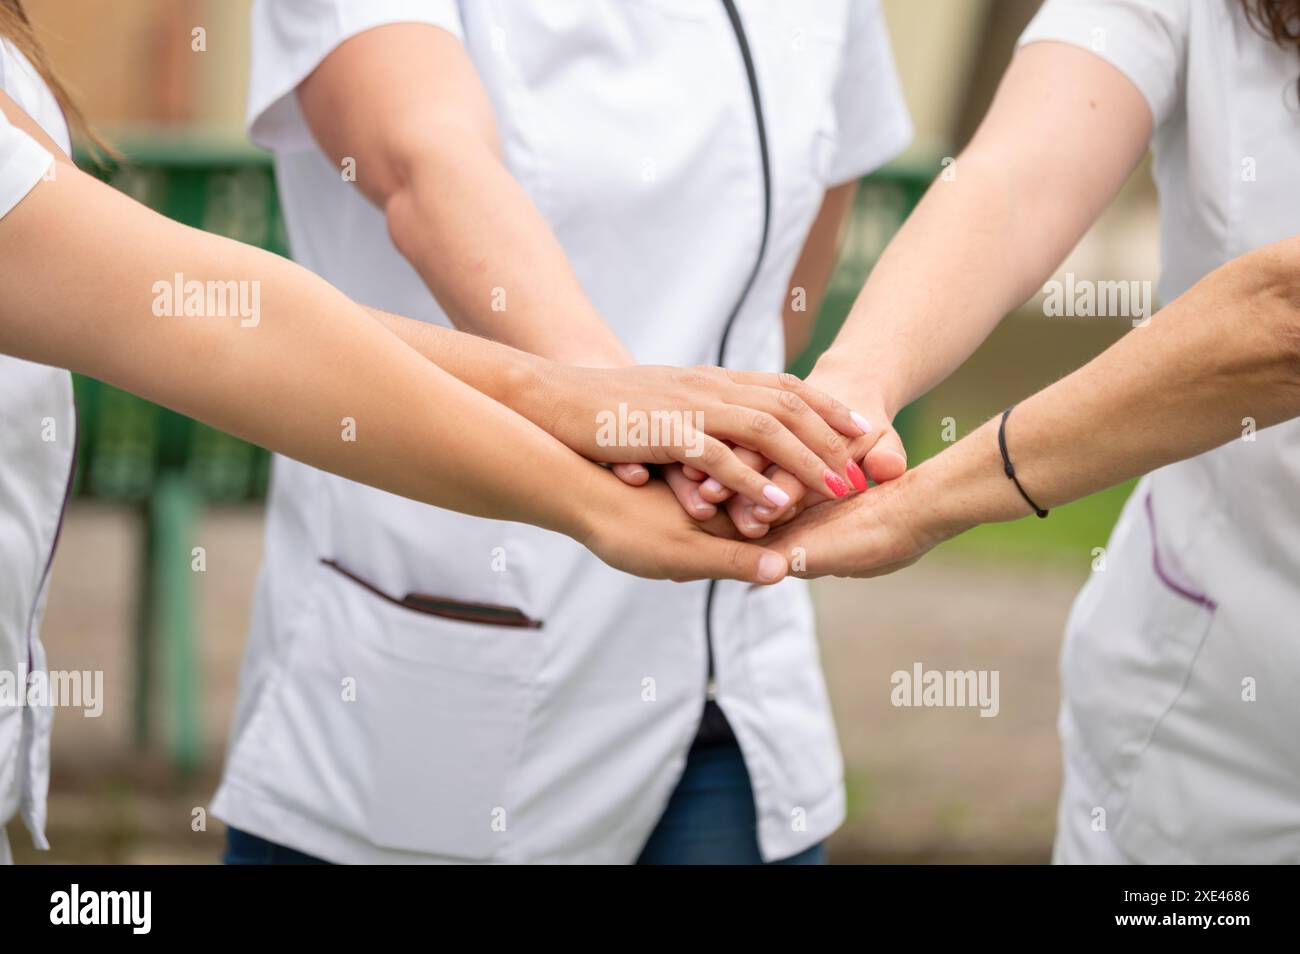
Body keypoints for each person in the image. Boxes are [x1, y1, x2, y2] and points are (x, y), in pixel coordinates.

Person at [0, 0, 860, 863]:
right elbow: (229, 292)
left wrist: (664, 424)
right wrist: (605, 425)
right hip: (445, 682)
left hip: (743, 678)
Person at [761, 0, 1300, 863]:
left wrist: (928, 502)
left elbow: (1283, 321)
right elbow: (1015, 178)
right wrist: (848, 399)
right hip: (1206, 720)